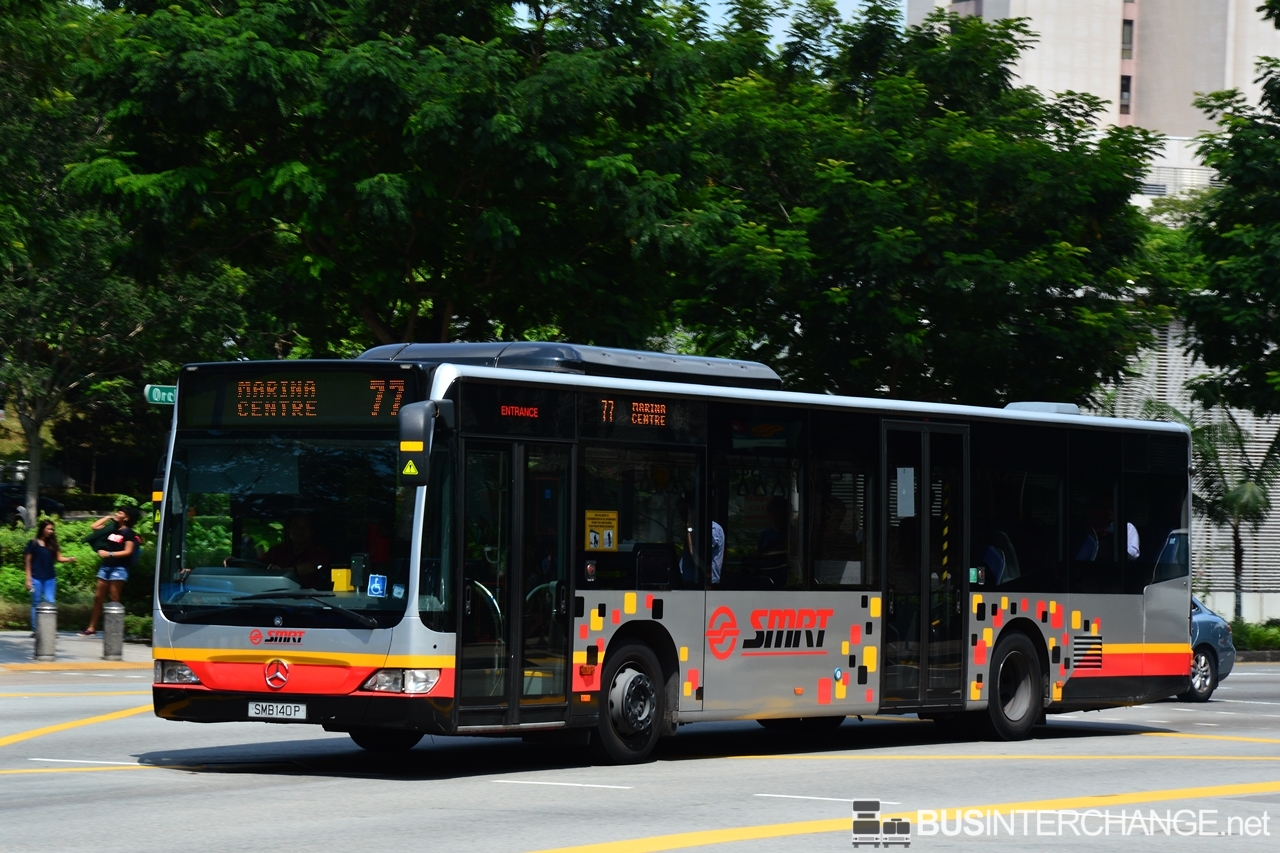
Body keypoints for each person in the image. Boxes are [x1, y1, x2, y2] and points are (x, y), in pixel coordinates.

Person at [80, 506, 141, 636]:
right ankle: (91, 627)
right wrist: (108, 517)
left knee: (114, 598)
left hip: (119, 567)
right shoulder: (112, 528)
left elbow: (128, 551)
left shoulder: (128, 532)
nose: (117, 514)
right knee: (98, 597)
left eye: (120, 512)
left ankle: (114, 629)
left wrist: (110, 554)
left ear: (127, 517)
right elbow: (94, 527)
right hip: (106, 566)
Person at [24, 520, 76, 633]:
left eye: (52, 529)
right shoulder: (33, 543)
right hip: (35, 579)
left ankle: (50, 629)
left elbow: (59, 558)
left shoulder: (52, 544)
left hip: (50, 579)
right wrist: (28, 579)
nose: (51, 531)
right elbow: (27, 561)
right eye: (48, 529)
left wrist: (69, 559)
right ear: (42, 529)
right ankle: (36, 630)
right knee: (36, 603)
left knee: (50, 602)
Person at [263, 512, 331, 590]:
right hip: (274, 594)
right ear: (288, 530)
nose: (300, 530)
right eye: (295, 525)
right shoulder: (276, 551)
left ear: (312, 531)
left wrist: (282, 572)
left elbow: (312, 567)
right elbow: (256, 564)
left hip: (311, 595)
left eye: (305, 526)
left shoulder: (320, 552)